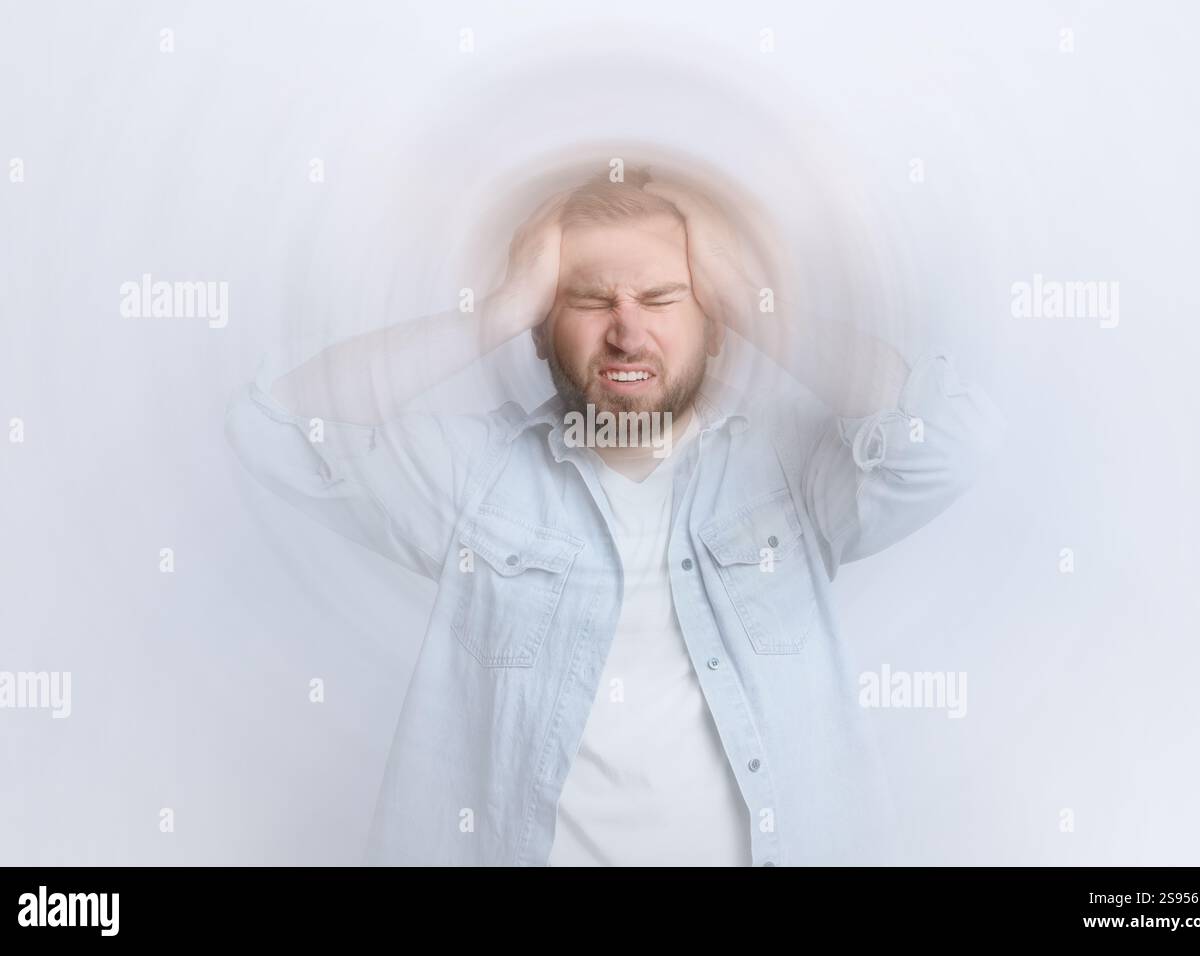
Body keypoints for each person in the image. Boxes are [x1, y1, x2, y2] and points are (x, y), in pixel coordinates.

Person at [225, 164, 1005, 866]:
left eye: (664, 298)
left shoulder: (793, 472)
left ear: (718, 325)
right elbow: (272, 429)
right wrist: (493, 312)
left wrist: (750, 301)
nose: (627, 329)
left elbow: (952, 441)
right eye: (591, 299)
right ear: (540, 328)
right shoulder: (474, 479)